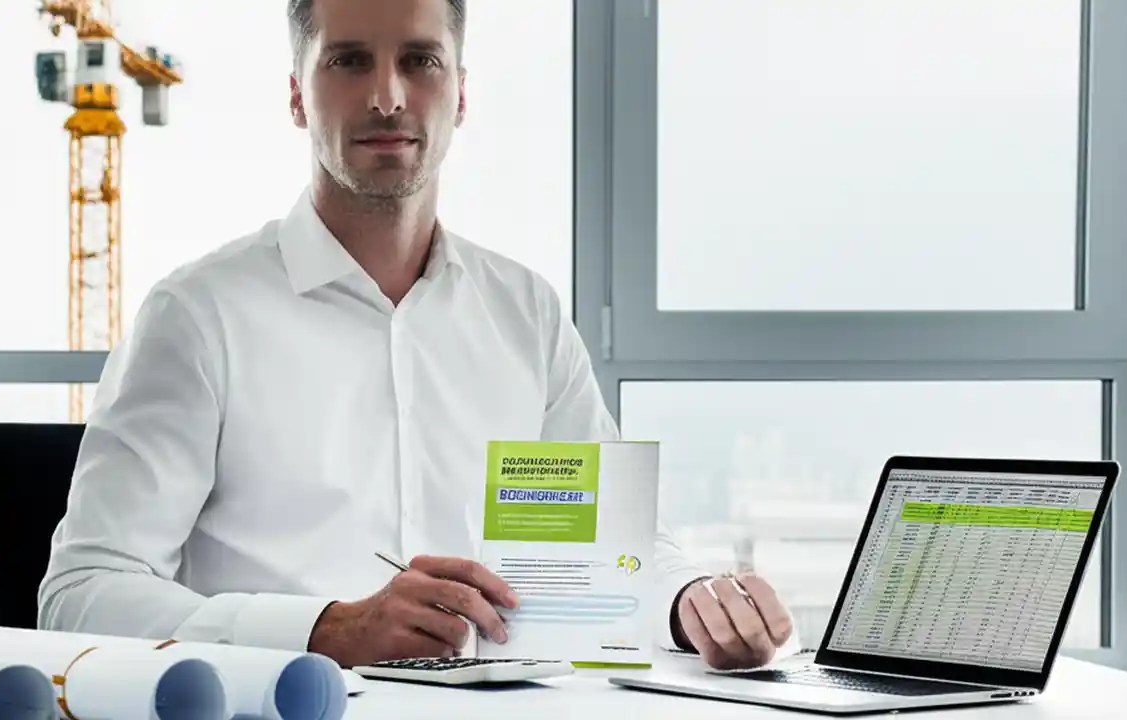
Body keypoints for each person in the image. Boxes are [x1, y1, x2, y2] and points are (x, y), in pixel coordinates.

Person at [38, 0, 794, 671]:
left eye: (420, 61)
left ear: (461, 93)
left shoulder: (526, 313)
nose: (387, 97)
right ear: (298, 96)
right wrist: (327, 629)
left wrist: (692, 602)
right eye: (348, 60)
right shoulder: (198, 315)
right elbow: (80, 597)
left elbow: (613, 550)